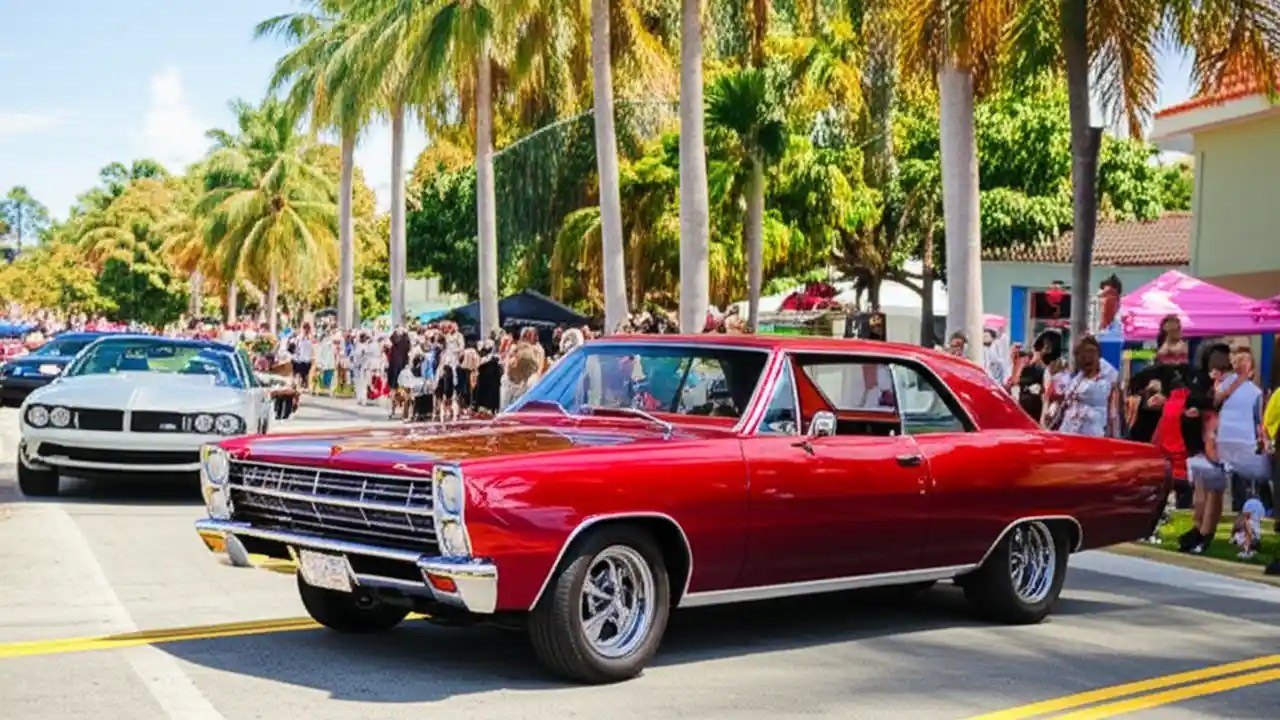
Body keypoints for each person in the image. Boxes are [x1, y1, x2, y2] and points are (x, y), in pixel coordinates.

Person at [1051, 336, 1119, 437]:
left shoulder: (1109, 380)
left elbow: (1114, 415)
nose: (1086, 356)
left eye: (1090, 351)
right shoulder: (1075, 381)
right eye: (1080, 353)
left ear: (1098, 354)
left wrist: (1115, 437)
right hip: (1069, 434)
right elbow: (1064, 407)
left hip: (1095, 437)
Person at [292, 323, 315, 392]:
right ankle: (298, 386)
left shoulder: (310, 337)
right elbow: (296, 347)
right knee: (298, 374)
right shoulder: (299, 337)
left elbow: (312, 348)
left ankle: (306, 386)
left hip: (307, 359)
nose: (306, 330)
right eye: (305, 328)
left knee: (306, 374)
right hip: (299, 359)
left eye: (308, 328)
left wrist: (312, 357)